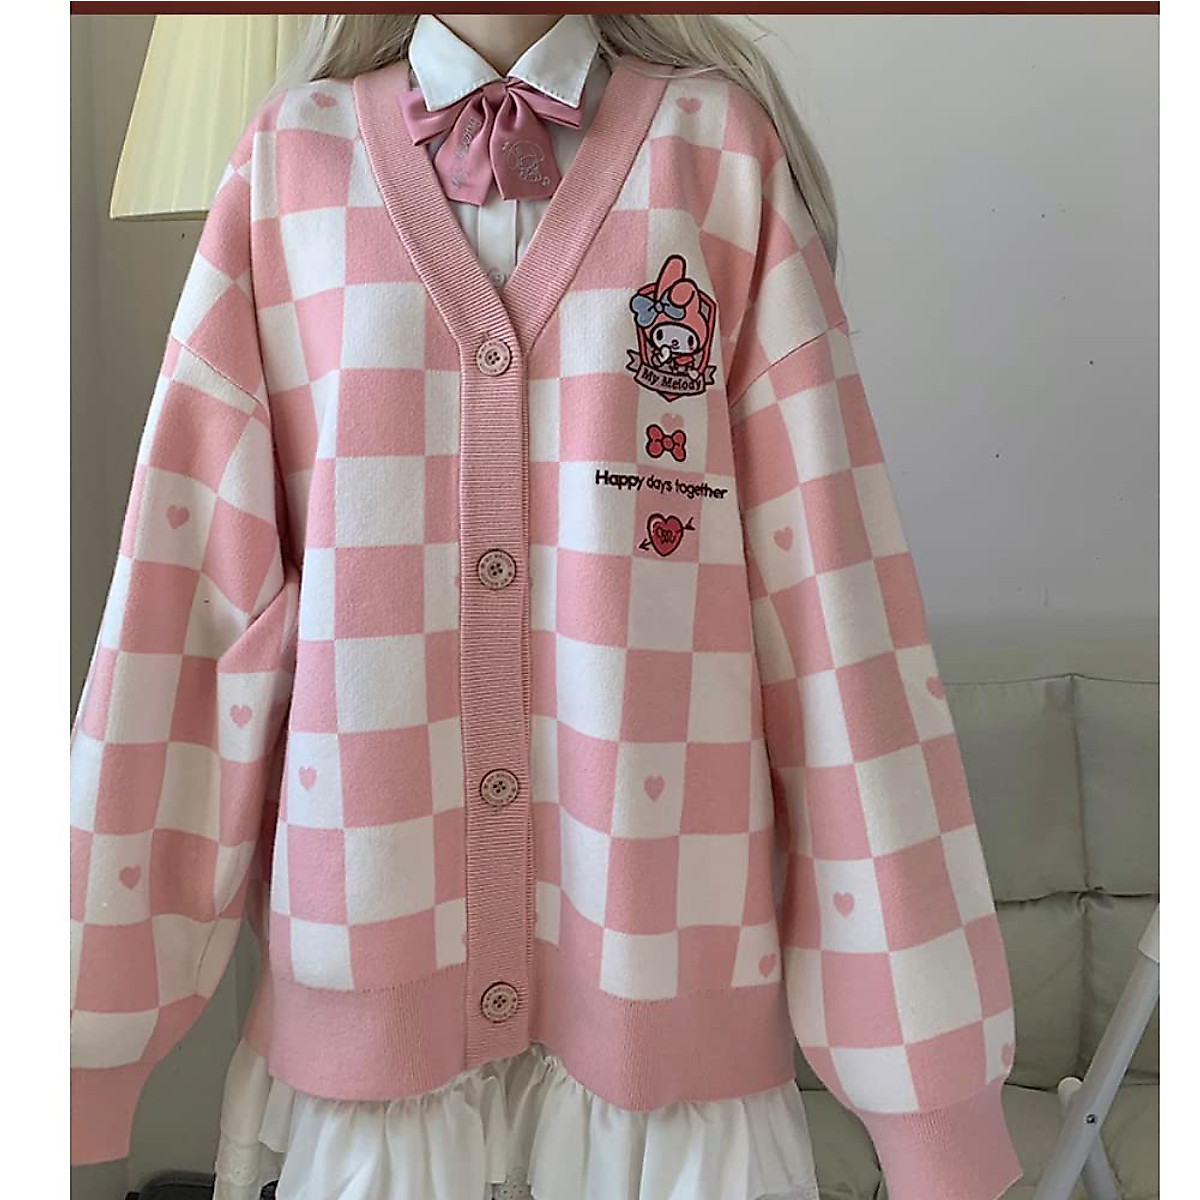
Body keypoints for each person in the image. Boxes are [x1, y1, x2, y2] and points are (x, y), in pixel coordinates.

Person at [70, 13, 1024, 1200]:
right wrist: (82, 1036)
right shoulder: (289, 162)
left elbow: (835, 616)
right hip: (377, 1037)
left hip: (665, 1051)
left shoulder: (713, 155)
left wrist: (930, 1091)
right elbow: (189, 612)